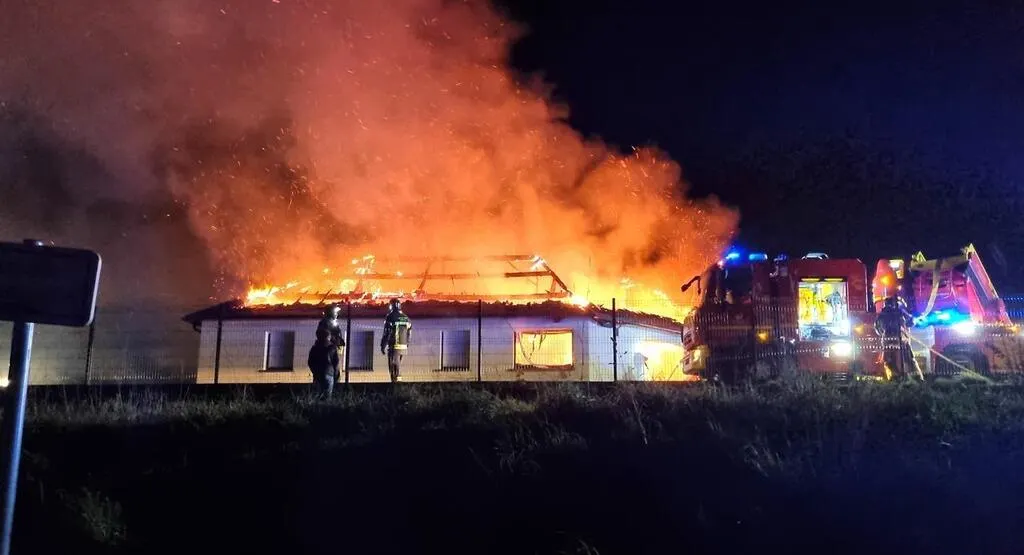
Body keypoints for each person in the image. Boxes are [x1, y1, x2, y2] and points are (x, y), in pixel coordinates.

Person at [874, 296, 923, 381]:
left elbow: (877, 329)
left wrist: (884, 335)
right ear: (894, 304)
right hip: (901, 341)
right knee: (909, 360)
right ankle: (916, 379)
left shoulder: (880, 316)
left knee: (888, 362)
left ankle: (892, 380)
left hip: (887, 342)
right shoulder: (900, 313)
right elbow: (911, 322)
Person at [380, 298, 412, 383]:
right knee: (397, 365)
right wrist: (407, 344)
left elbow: (386, 333)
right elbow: (409, 333)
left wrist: (383, 345)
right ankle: (397, 382)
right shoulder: (406, 318)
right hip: (403, 347)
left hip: (394, 346)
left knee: (393, 367)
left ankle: (396, 384)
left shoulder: (390, 317)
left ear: (391, 306)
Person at [316, 305, 345, 381]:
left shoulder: (331, 322)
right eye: (335, 312)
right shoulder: (326, 323)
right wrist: (334, 341)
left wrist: (339, 342)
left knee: (334, 370)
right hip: (328, 350)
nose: (336, 314)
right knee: (332, 372)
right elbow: (324, 335)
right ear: (330, 313)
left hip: (332, 349)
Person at [308, 328, 339, 397]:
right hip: (329, 373)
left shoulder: (314, 348)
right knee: (327, 396)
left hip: (318, 374)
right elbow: (336, 363)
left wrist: (315, 371)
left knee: (318, 396)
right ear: (328, 337)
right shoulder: (332, 348)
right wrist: (336, 374)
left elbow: (310, 362)